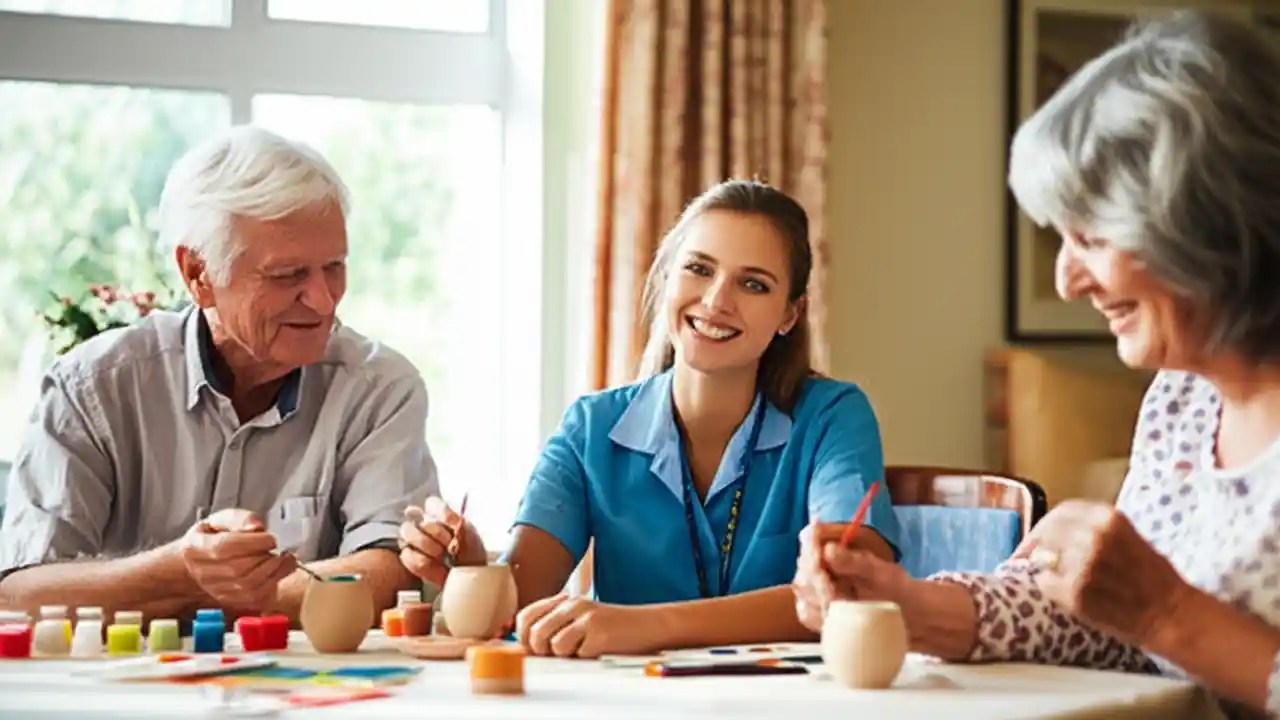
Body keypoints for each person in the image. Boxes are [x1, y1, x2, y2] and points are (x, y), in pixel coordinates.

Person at [793, 11, 1280, 718]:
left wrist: (1166, 611)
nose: (1066, 280)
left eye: (1089, 236)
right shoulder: (1183, 401)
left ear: (1199, 217)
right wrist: (908, 604)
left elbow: (1158, 624)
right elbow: (1111, 632)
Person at [400, 179, 900, 658]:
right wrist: (466, 564)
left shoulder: (834, 416)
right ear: (666, 278)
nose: (716, 301)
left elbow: (850, 586)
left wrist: (645, 625)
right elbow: (520, 602)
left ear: (790, 315)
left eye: (753, 284)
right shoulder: (590, 429)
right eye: (699, 269)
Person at [0, 126, 436, 623]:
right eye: (287, 275)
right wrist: (175, 571)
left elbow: (389, 576)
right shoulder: (93, 387)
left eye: (334, 266)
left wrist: (182, 597)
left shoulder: (380, 387)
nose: (323, 300)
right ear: (198, 274)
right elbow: (20, 592)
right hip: (121, 693)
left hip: (305, 694)